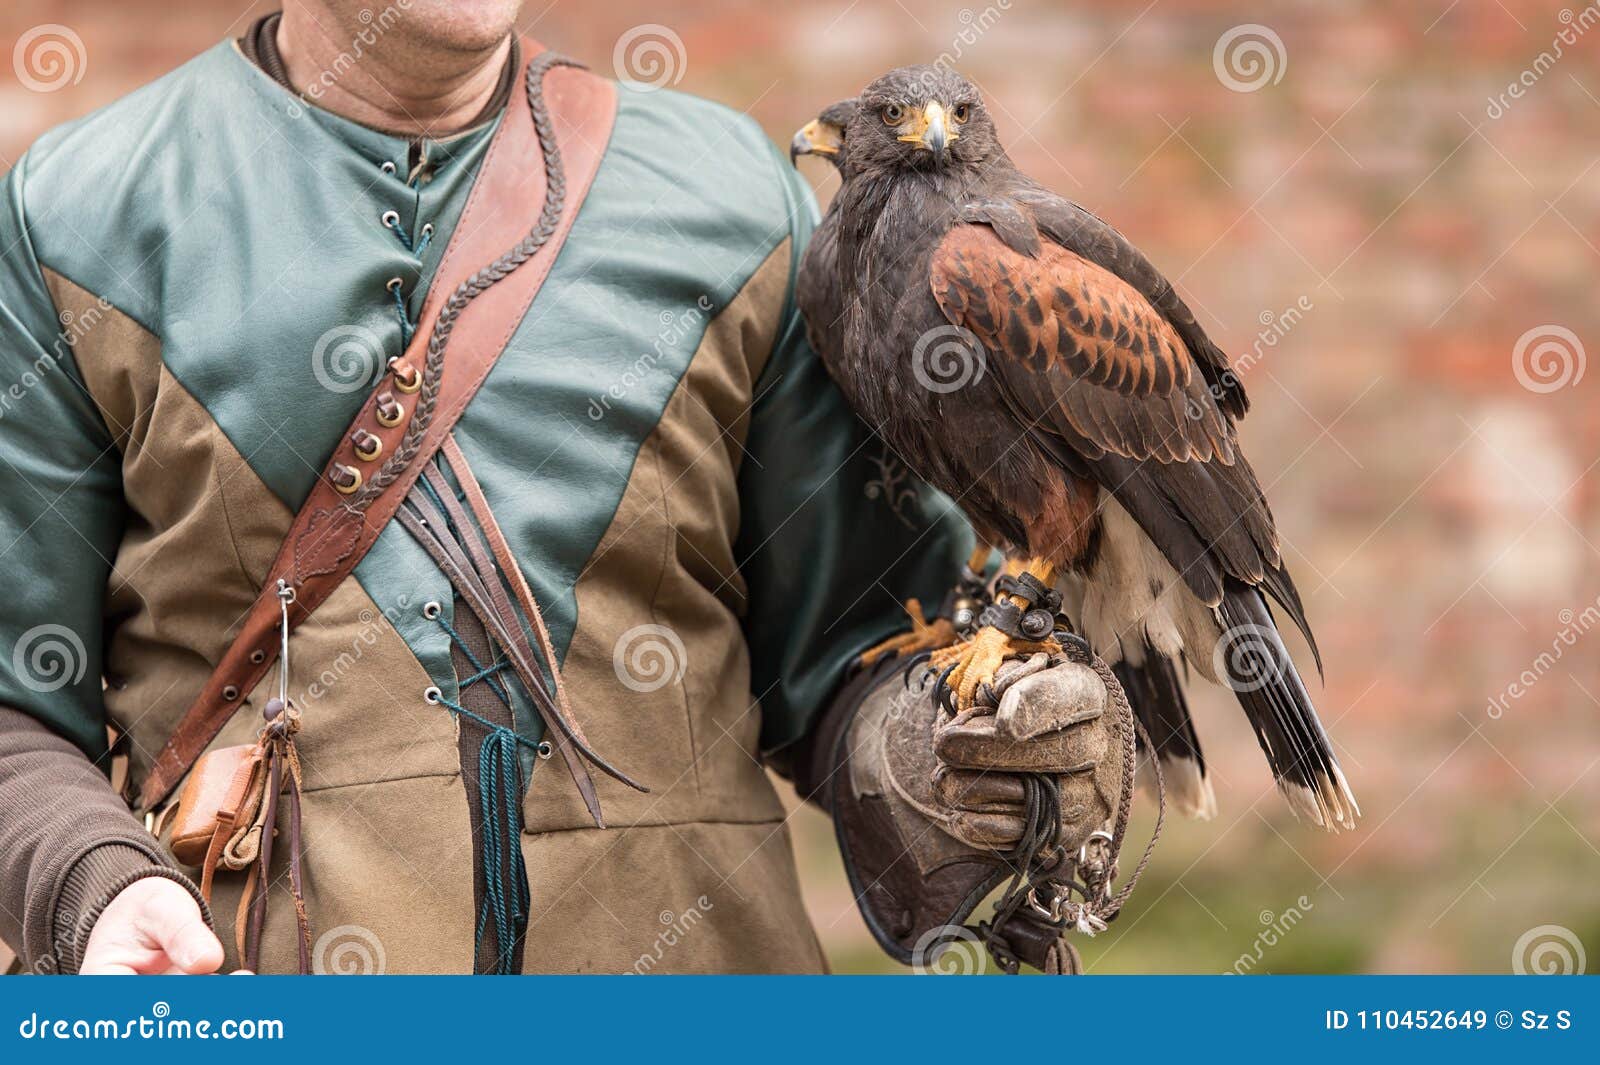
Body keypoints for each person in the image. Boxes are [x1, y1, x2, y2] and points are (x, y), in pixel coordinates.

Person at [0, 2, 1112, 975]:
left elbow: (858, 646)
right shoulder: (79, 218)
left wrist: (954, 762)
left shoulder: (731, 202)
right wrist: (92, 886)